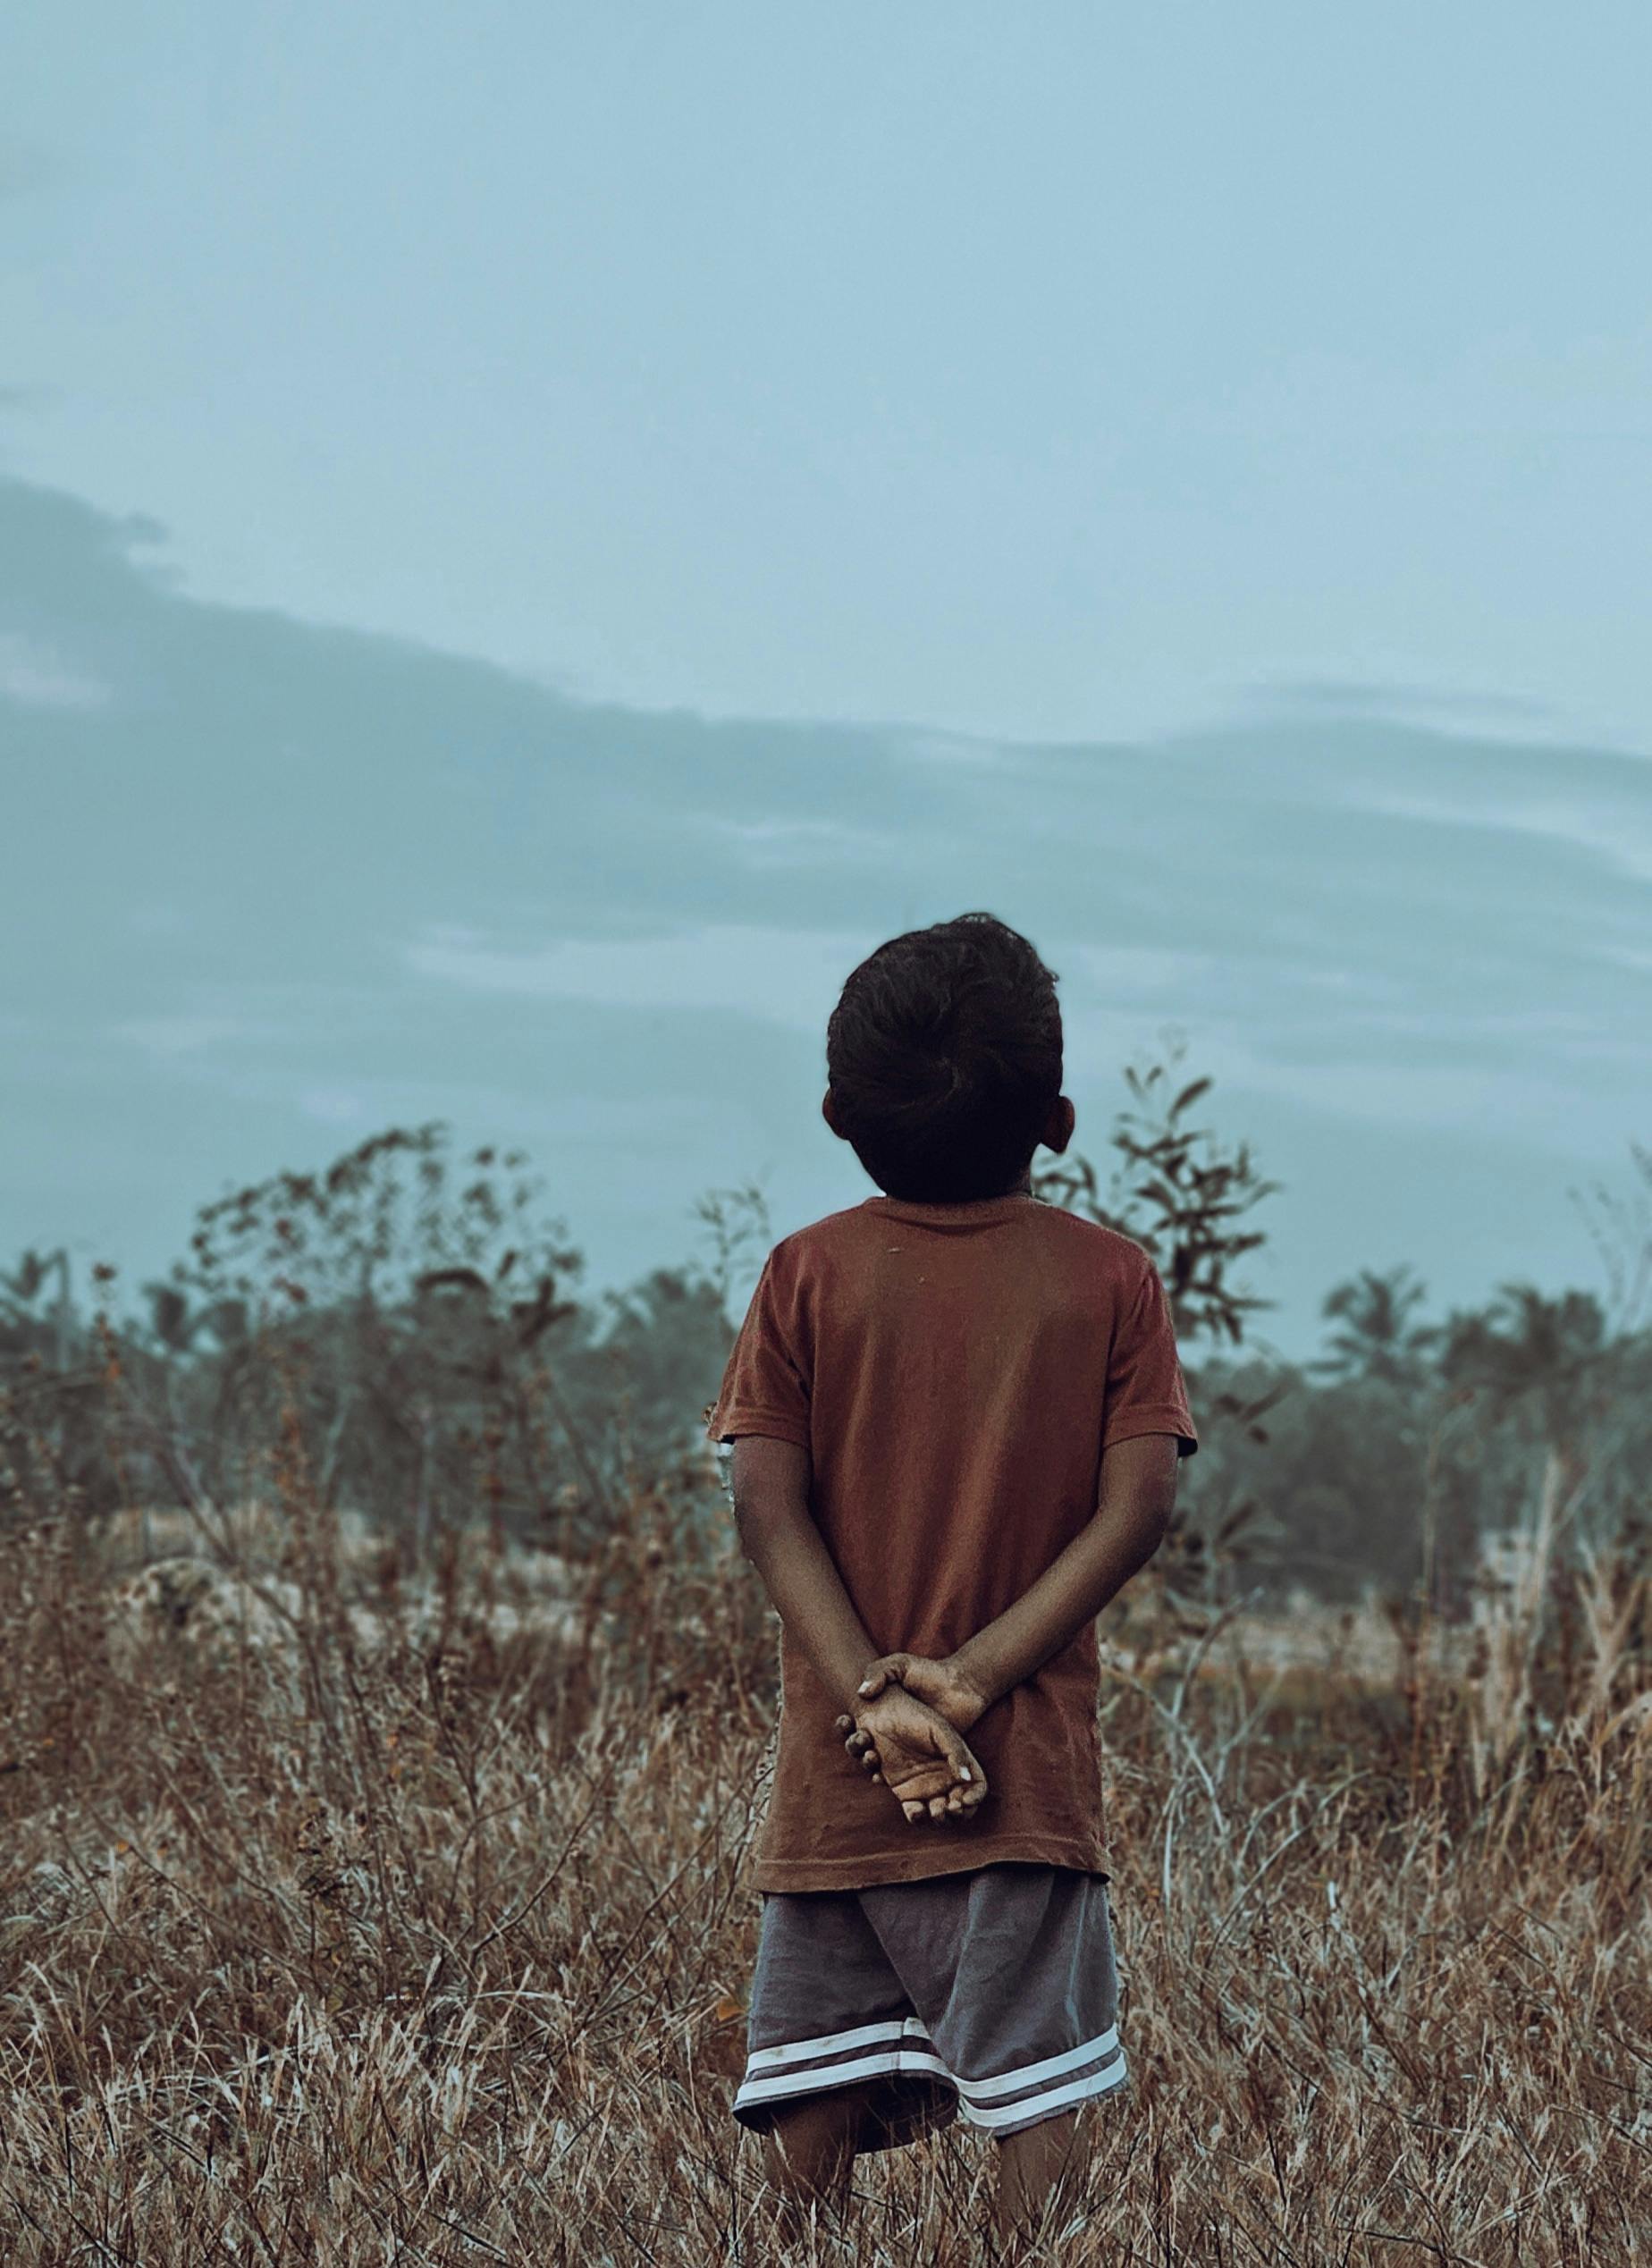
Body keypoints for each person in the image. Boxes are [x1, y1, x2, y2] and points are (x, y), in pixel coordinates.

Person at [705, 910, 1199, 2252]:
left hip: (840, 1771)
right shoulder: (1113, 1279)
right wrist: (969, 1683)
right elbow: (1140, 1504)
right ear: (1057, 1116)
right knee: (1038, 2097)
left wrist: (878, 1700)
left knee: (810, 2072)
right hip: (1021, 1779)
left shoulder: (802, 1273)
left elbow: (765, 1505)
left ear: (835, 1112)